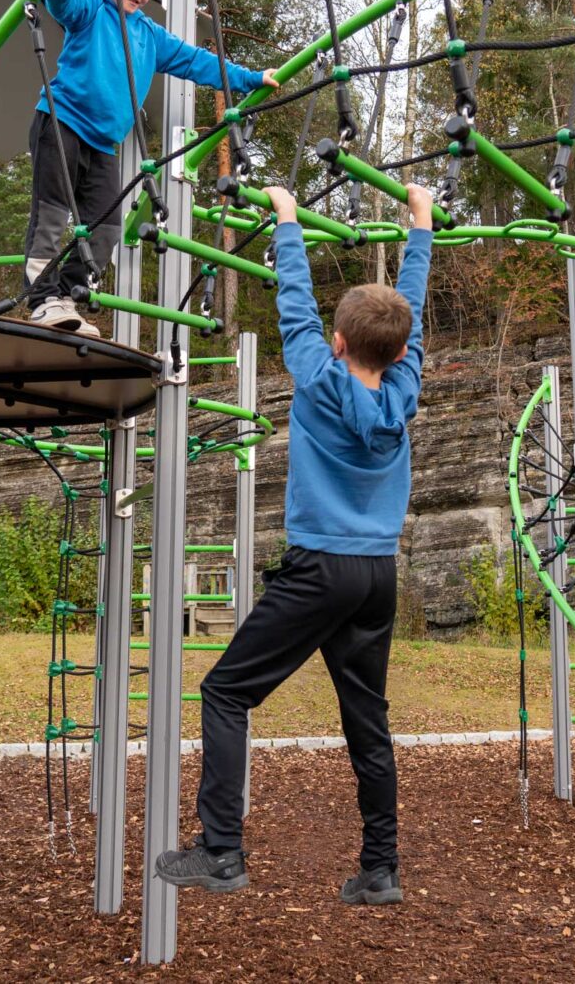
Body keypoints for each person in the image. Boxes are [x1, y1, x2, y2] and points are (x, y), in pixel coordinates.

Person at [155, 182, 435, 903]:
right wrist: (421, 223)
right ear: (401, 350)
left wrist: (286, 215)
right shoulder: (404, 387)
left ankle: (221, 850)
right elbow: (408, 307)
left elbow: (295, 301)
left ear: (338, 343)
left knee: (226, 691)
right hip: (377, 574)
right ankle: (381, 868)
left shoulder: (317, 377)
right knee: (367, 719)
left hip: (322, 568)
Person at [24, 0, 278, 335]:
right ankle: (42, 299)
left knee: (107, 227)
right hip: (61, 123)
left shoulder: (149, 35)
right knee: (52, 215)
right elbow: (65, 6)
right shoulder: (92, 8)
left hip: (104, 144)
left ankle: (69, 298)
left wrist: (250, 78)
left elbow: (197, 62)